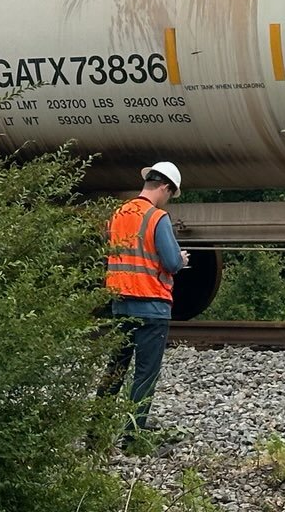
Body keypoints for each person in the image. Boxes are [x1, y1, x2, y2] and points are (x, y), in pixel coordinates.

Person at [98, 161, 188, 441]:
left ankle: (94, 433)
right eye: (170, 194)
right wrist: (181, 260)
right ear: (164, 187)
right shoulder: (156, 217)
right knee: (145, 374)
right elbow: (172, 262)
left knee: (115, 370)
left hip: (120, 303)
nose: (168, 200)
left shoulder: (118, 214)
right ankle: (132, 436)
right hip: (152, 305)